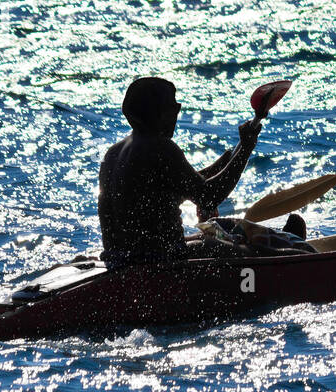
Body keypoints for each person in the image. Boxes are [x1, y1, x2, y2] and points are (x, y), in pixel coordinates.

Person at [98, 77, 261, 268]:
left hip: (118, 260)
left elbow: (174, 185)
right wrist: (246, 149)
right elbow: (209, 196)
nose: (177, 112)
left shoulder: (114, 152)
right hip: (156, 263)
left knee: (208, 234)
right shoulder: (159, 147)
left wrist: (226, 160)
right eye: (173, 107)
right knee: (241, 247)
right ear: (155, 113)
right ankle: (290, 254)